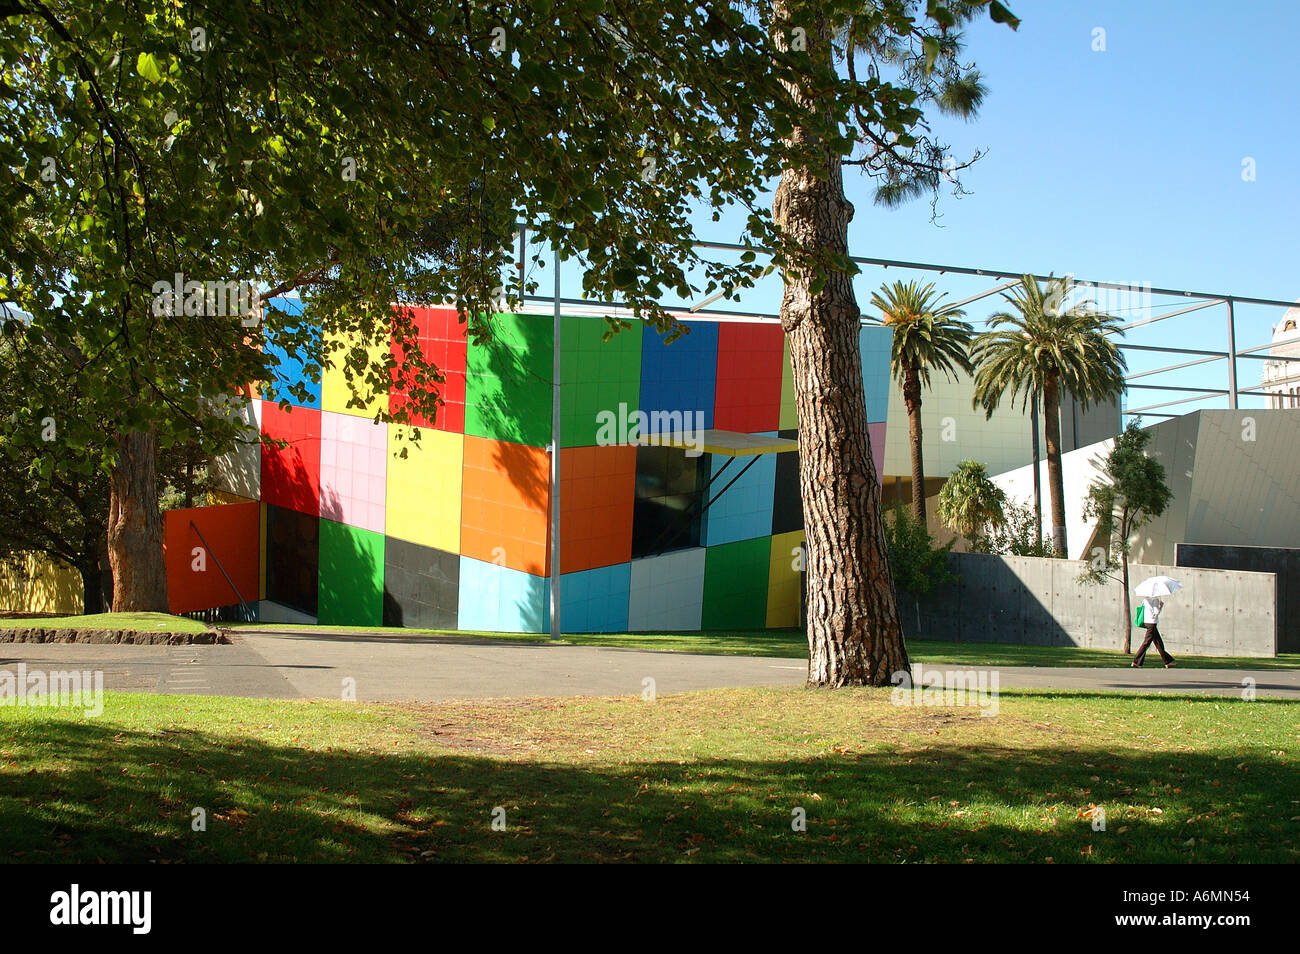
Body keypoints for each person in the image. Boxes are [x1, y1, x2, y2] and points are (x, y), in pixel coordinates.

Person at [1132, 596, 1176, 668]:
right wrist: (1160, 606)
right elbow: (1156, 612)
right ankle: (1136, 661)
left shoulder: (1145, 599)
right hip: (1152, 623)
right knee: (1146, 643)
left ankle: (1167, 662)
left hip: (1146, 622)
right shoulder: (1155, 600)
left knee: (1158, 643)